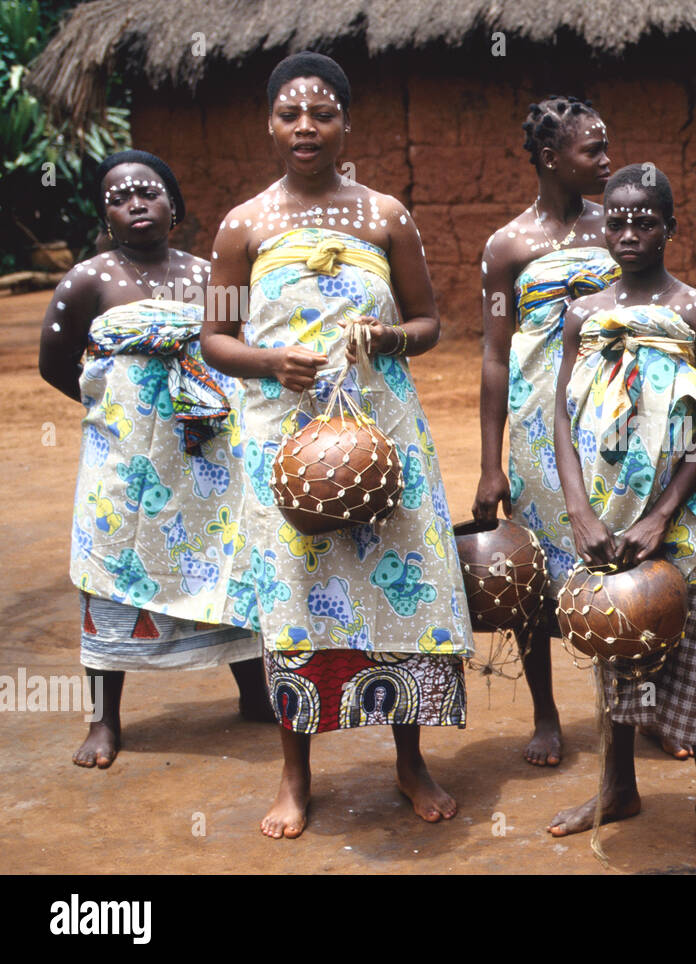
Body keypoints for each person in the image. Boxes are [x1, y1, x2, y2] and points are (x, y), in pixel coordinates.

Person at [200, 52, 473, 838]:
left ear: (347, 124)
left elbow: (430, 323)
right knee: (294, 592)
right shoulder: (242, 226)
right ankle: (295, 775)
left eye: (322, 113)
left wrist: (388, 336)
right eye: (290, 114)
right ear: (270, 124)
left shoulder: (386, 215)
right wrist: (267, 363)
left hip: (382, 432)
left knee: (405, 585)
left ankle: (409, 758)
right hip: (284, 442)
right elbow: (213, 337)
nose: (306, 127)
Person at [38, 149, 267, 770]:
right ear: (104, 215)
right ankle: (104, 720)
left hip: (209, 460)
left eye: (149, 192)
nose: (135, 203)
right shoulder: (87, 281)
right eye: (119, 197)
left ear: (174, 206)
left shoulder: (208, 274)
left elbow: (237, 349)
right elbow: (55, 365)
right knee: (111, 571)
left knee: (226, 563)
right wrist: (121, 409)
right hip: (124, 463)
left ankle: (253, 693)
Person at [547, 164, 696, 870]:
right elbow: (562, 420)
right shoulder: (582, 314)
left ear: (670, 226)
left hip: (675, 509)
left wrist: (664, 512)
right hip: (602, 507)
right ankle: (616, 784)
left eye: (645, 220)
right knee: (613, 638)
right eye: (617, 220)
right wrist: (577, 508)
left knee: (692, 641)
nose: (629, 233)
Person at [473, 95, 615, 767]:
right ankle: (547, 714)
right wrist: (489, 463)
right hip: (538, 426)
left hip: (619, 416)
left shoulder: (619, 226)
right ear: (553, 159)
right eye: (594, 151)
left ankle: (636, 711)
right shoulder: (508, 247)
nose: (608, 160)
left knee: (624, 554)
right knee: (536, 572)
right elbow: (497, 355)